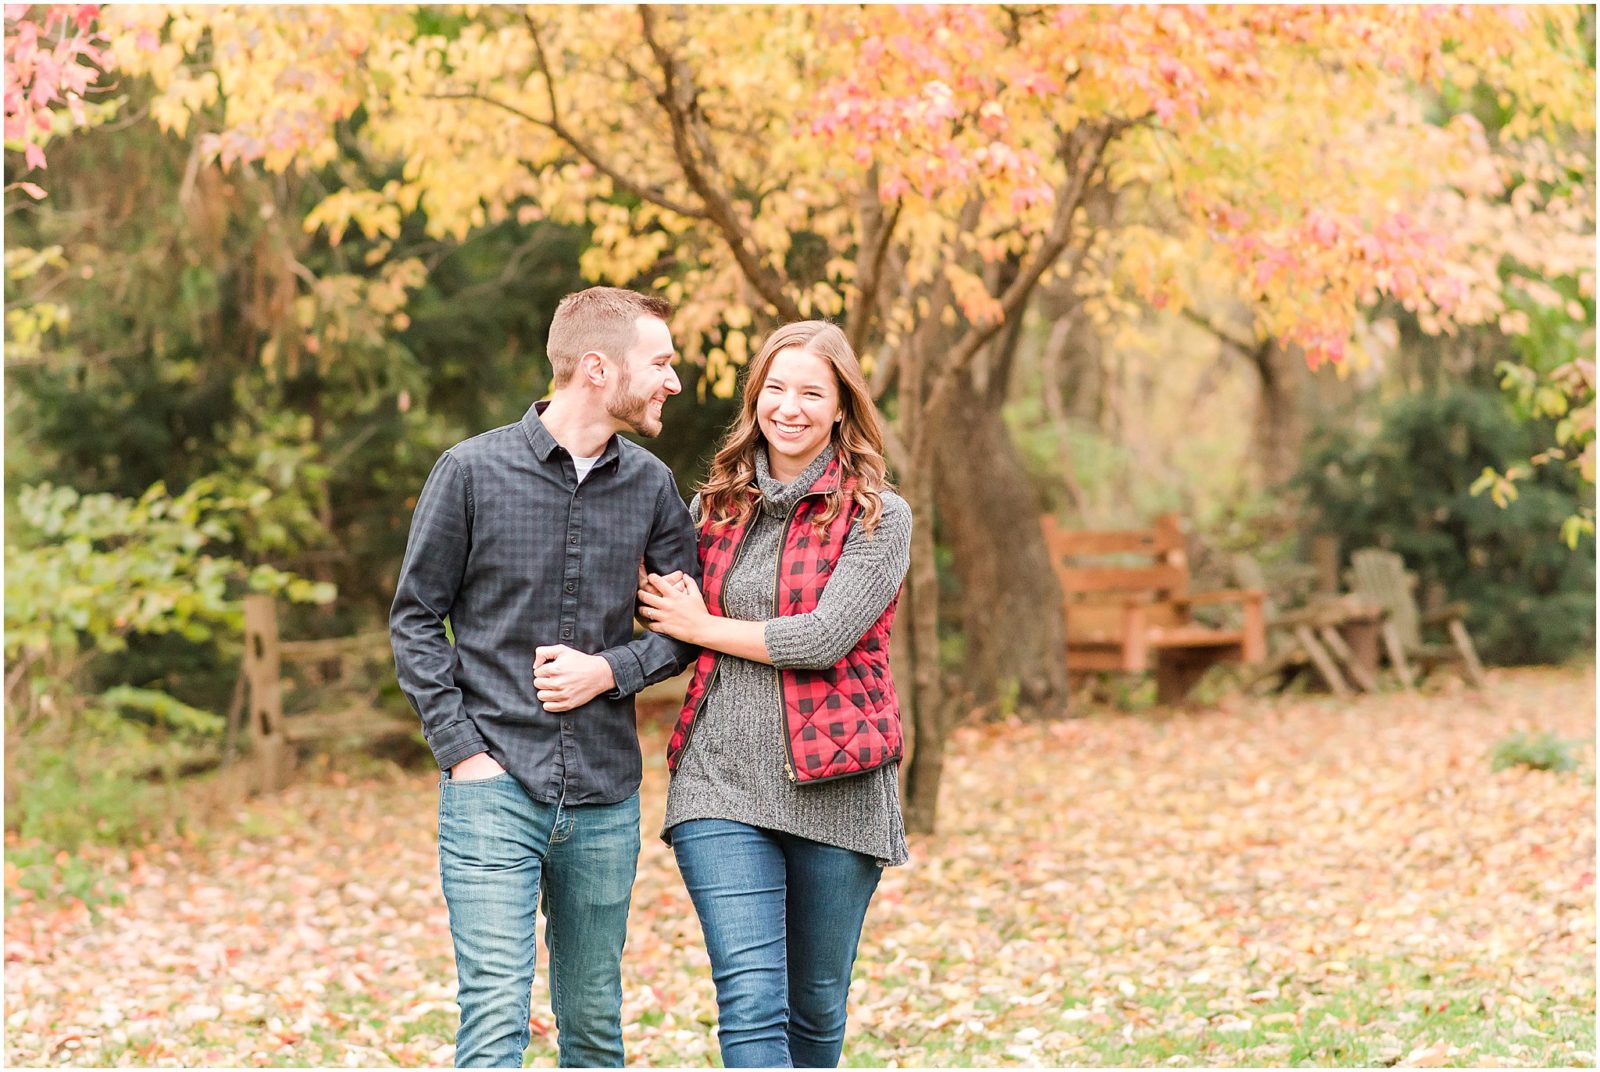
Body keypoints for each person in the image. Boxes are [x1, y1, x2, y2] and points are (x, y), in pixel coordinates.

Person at [390, 286, 700, 1068]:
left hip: (604, 795)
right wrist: (462, 752)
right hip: (493, 786)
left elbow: (685, 628)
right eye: (659, 363)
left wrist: (609, 670)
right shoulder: (470, 472)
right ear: (596, 368)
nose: (672, 381)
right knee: (496, 1018)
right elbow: (416, 618)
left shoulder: (652, 486)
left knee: (592, 1024)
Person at [636, 320, 912, 1068]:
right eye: (775, 389)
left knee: (815, 1006)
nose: (789, 408)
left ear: (841, 406)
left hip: (837, 782)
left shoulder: (878, 517)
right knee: (752, 1000)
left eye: (811, 393)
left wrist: (704, 624)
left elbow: (823, 638)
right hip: (718, 781)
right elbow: (661, 608)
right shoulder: (713, 507)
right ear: (755, 397)